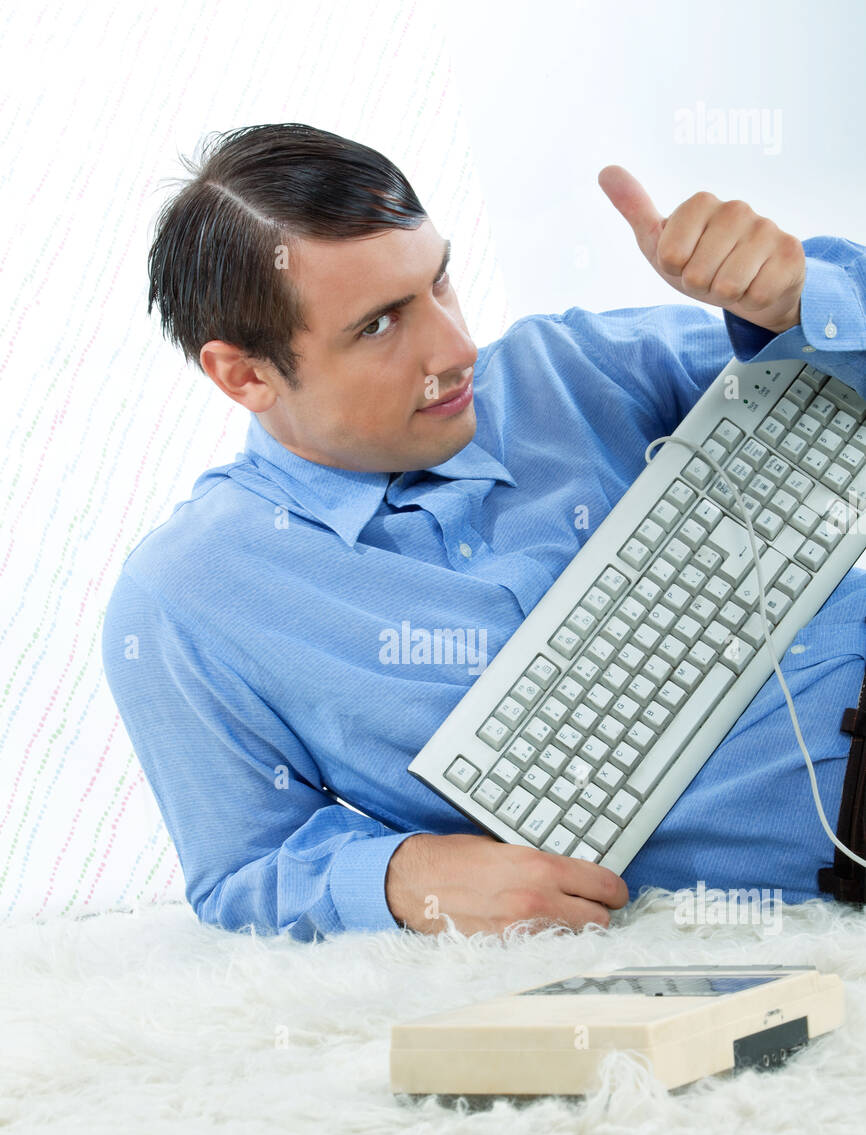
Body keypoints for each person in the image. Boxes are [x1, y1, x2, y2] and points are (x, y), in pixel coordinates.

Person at [101, 122, 866, 941]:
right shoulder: (187, 600)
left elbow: (830, 370)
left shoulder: (570, 367)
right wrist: (400, 878)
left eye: (440, 282)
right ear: (244, 374)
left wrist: (792, 298)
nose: (457, 348)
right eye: (379, 326)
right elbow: (242, 869)